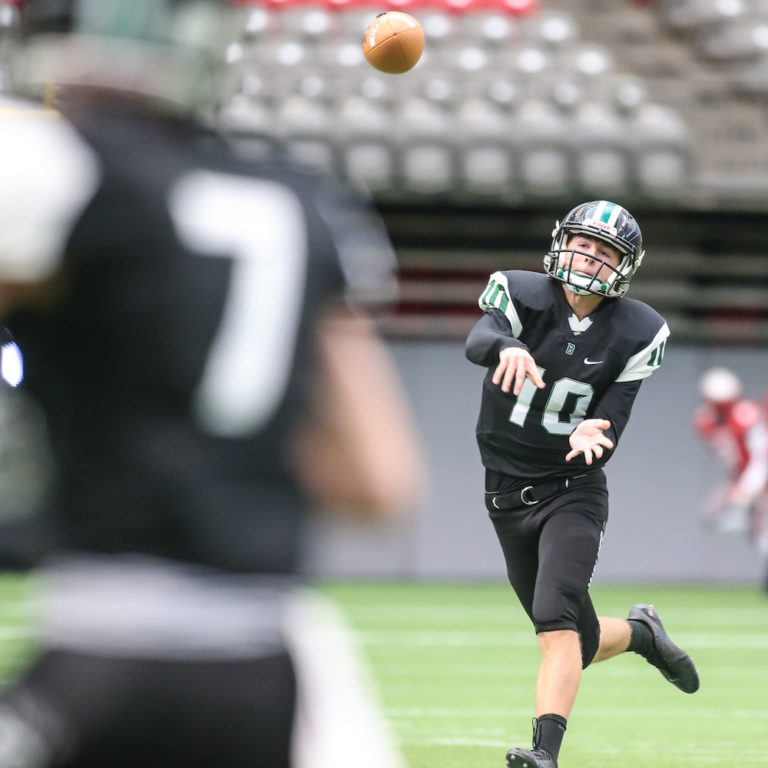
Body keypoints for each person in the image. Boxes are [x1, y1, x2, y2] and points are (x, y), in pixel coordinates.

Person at [0, 1, 426, 767]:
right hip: (267, 669)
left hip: (105, 647)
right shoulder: (305, 200)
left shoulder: (51, 163)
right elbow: (377, 482)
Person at [465, 200, 700, 768]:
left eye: (605, 250)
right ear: (560, 241)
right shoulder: (520, 295)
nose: (590, 256)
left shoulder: (639, 329)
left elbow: (614, 414)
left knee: (554, 622)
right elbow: (479, 339)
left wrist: (603, 430)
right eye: (583, 242)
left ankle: (545, 754)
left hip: (572, 487)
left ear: (625, 265)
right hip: (504, 493)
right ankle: (643, 634)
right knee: (581, 642)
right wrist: (508, 345)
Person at [694, 366, 768, 590]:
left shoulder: (747, 416)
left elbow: (760, 457)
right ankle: (749, 520)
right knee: (712, 514)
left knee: (761, 529)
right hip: (738, 477)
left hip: (759, 476)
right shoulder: (705, 419)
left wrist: (747, 488)